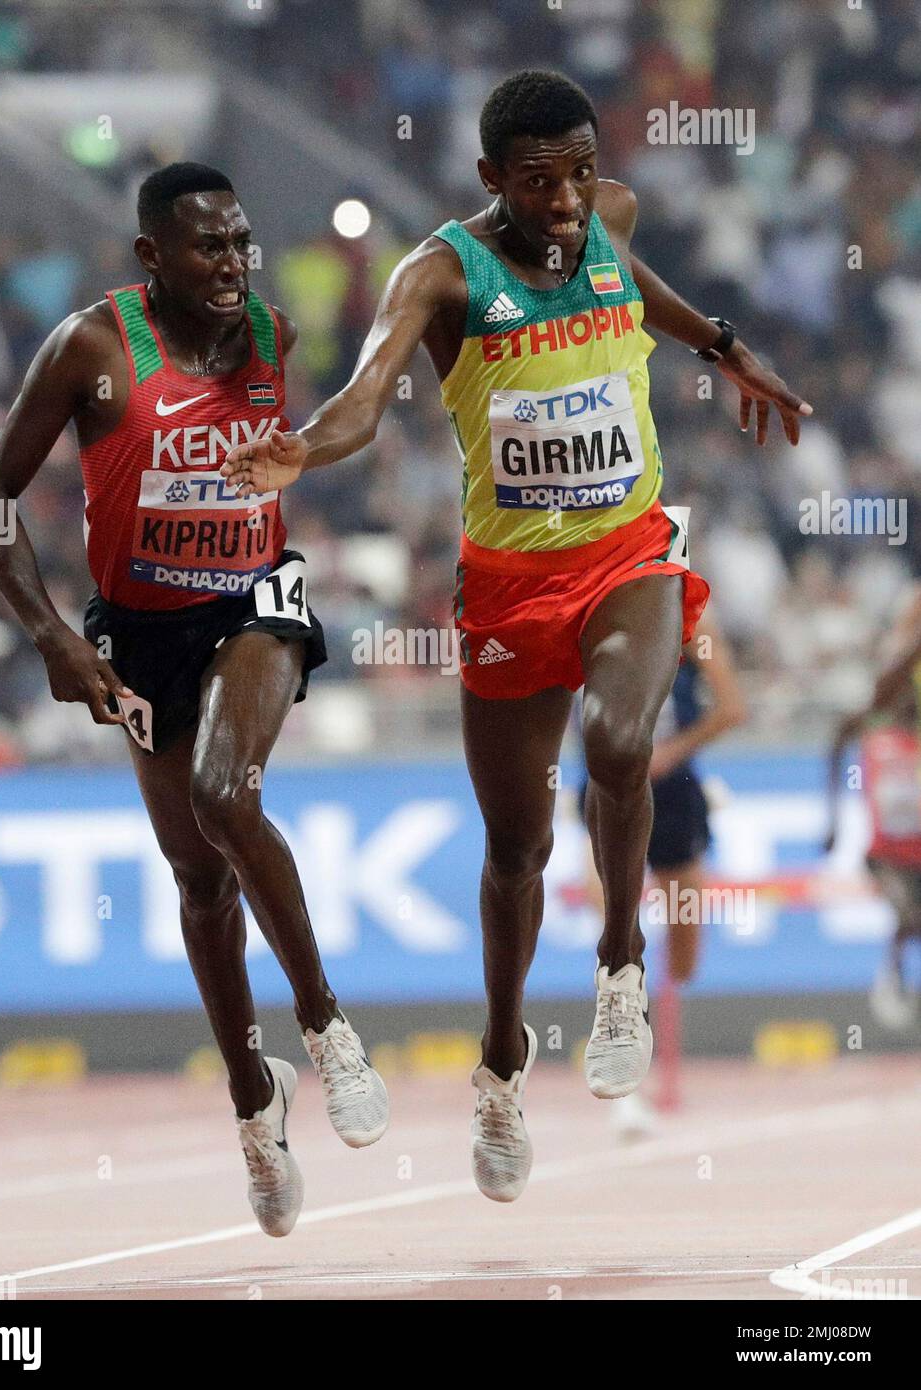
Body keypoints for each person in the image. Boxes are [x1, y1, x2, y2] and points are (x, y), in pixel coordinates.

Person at [222, 71, 812, 1203]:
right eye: (541, 183)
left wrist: (720, 343)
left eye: (583, 173)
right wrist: (303, 443)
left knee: (622, 739)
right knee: (514, 852)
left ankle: (618, 969)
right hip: (506, 584)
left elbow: (630, 281)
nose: (568, 201)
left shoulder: (607, 218)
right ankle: (499, 1066)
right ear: (492, 178)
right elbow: (364, 389)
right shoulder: (441, 271)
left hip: (626, 548)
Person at [0, 163, 389, 1238]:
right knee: (198, 879)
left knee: (224, 794)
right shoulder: (91, 349)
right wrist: (54, 635)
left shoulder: (271, 335)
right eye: (210, 247)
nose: (234, 264)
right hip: (136, 630)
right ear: (152, 257)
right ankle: (255, 1103)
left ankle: (328, 1024)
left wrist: (287, 456)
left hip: (254, 600)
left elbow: (336, 423)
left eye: (243, 243)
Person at [578, 610, 747, 1135]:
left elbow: (732, 709)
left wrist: (669, 753)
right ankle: (624, 1075)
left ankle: (656, 1050)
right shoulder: (589, 613)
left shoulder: (696, 626)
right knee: (612, 921)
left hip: (673, 795)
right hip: (605, 784)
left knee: (683, 949)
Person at [826, 584, 921, 1030]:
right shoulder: (871, 724)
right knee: (907, 914)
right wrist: (831, 819)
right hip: (884, 853)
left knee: (914, 923)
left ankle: (895, 972)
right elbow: (835, 745)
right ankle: (891, 977)